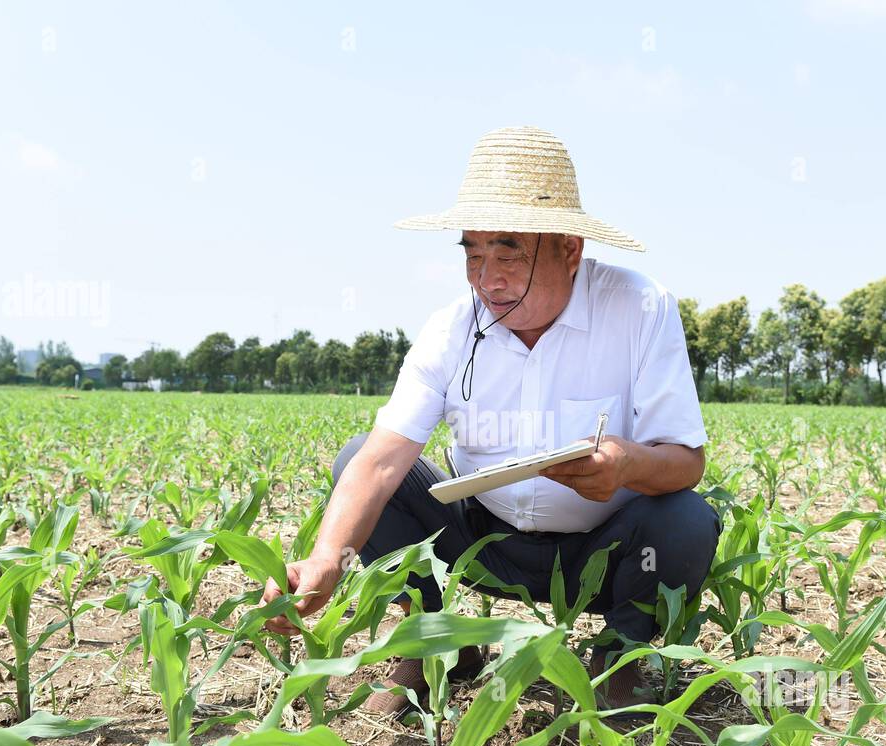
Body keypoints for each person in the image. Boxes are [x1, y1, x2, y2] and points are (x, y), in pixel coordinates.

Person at [261, 126, 720, 715]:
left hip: (602, 550)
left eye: (508, 254)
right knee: (357, 459)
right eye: (473, 254)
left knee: (684, 519)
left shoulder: (639, 308)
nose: (487, 278)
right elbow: (380, 462)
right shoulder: (451, 329)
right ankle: (436, 647)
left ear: (569, 250)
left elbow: (686, 460)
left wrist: (627, 464)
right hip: (483, 541)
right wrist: (325, 559)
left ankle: (619, 657)